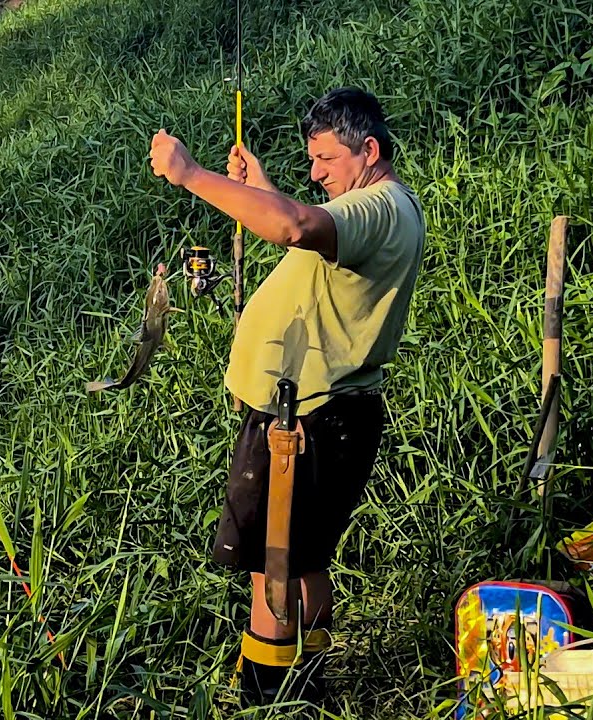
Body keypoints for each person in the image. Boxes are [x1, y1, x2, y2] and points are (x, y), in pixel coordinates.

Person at [149, 87, 426, 705]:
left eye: (326, 159)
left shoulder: (378, 208)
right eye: (312, 160)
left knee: (273, 567)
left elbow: (294, 224)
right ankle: (307, 687)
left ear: (369, 151)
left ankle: (267, 697)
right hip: (315, 416)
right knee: (302, 560)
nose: (315, 172)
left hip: (304, 423)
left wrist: (190, 174)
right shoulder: (374, 211)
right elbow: (300, 226)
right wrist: (263, 188)